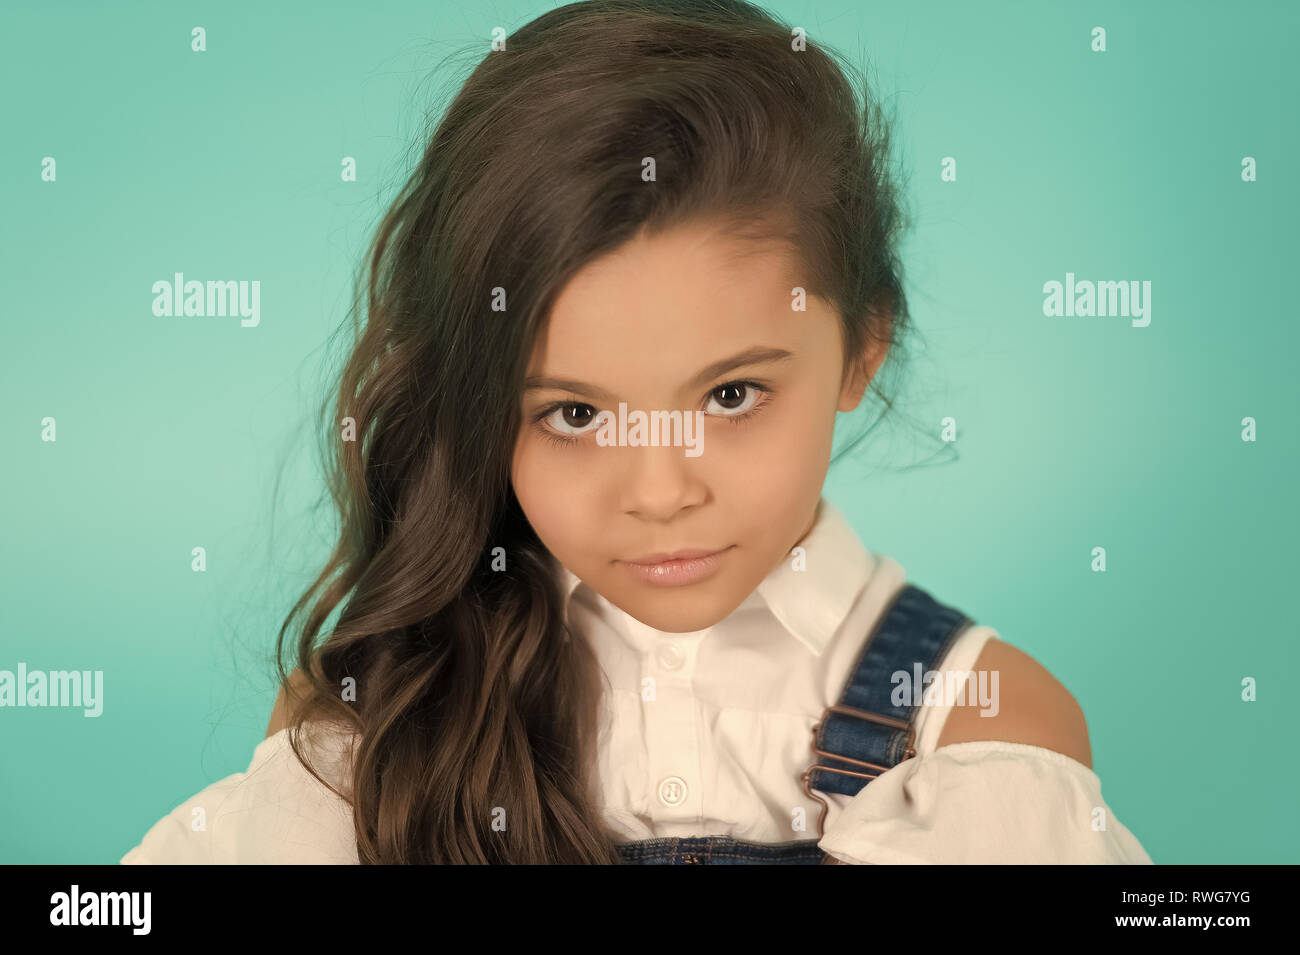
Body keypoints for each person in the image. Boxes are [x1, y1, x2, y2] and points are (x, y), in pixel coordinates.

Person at [120, 0, 1151, 865]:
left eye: (731, 396)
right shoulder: (375, 714)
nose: (659, 491)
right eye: (573, 414)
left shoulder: (978, 727)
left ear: (861, 349)